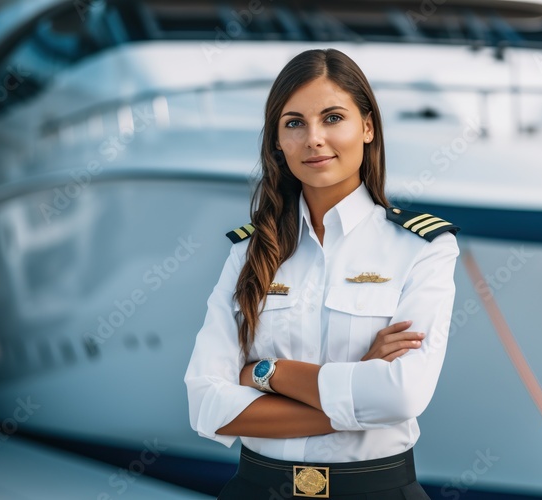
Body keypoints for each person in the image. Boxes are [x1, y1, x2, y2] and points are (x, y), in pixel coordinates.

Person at [183, 48, 460, 499]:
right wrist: (359, 385)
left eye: (333, 118)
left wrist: (265, 374)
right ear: (277, 140)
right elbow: (207, 404)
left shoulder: (422, 248)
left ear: (367, 127)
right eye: (294, 123)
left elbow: (401, 397)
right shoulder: (250, 251)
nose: (313, 138)